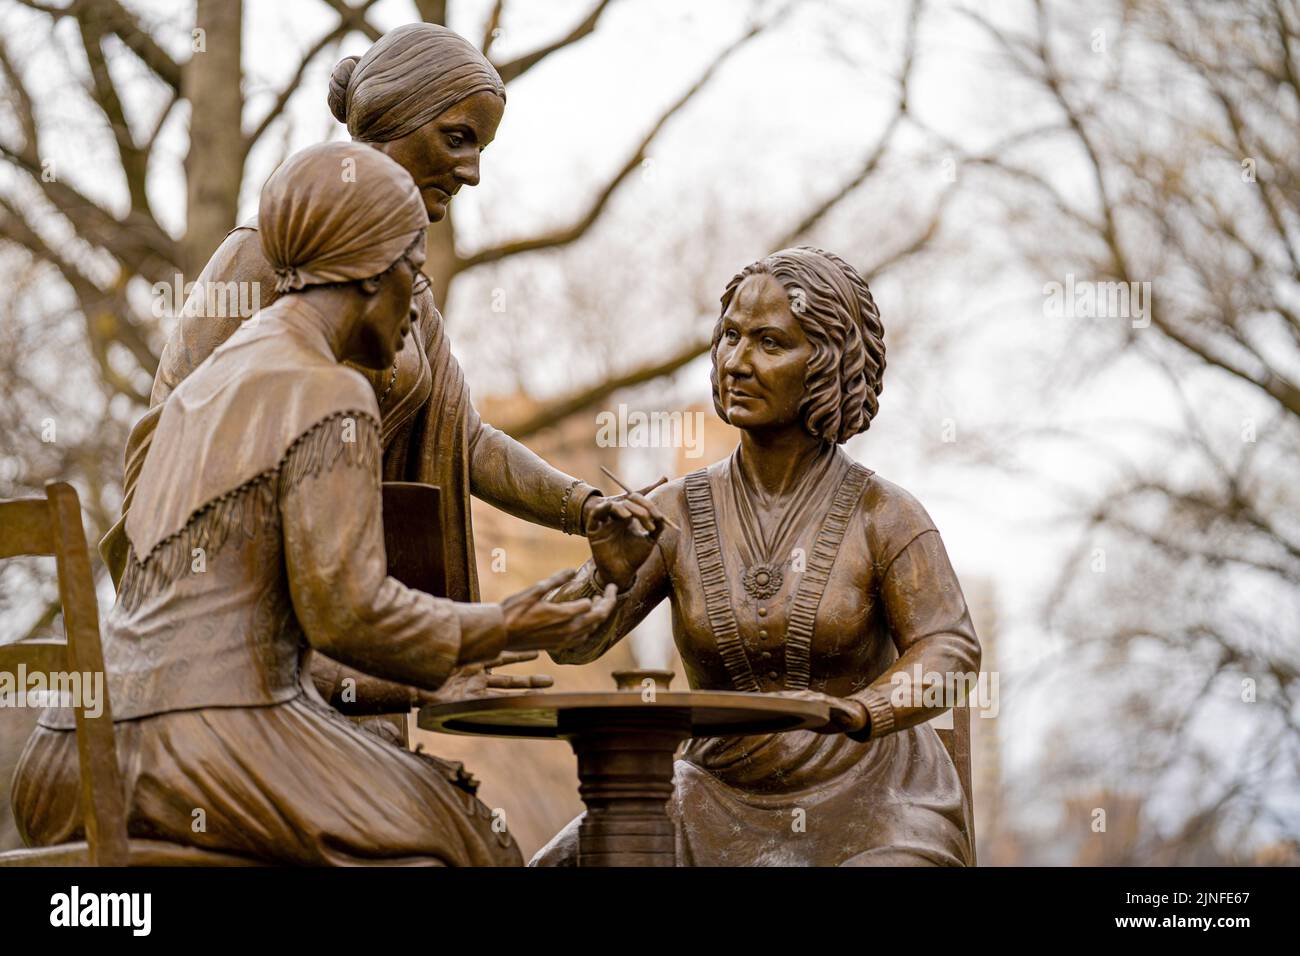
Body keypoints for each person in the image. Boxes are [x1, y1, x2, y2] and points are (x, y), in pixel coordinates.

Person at [12, 143, 619, 866]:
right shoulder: (327, 392)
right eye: (414, 274)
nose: (415, 314)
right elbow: (347, 612)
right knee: (478, 839)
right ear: (370, 272)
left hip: (69, 759)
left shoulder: (206, 385)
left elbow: (225, 619)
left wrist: (486, 635)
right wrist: (501, 621)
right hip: (197, 745)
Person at [104, 22, 612, 615]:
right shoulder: (268, 254)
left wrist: (586, 508)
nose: (472, 171)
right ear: (392, 120)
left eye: (480, 149)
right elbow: (175, 450)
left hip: (354, 598)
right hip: (236, 606)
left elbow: (467, 442)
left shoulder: (409, 290)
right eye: (457, 139)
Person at [534, 247, 982, 866]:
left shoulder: (885, 513)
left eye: (771, 344)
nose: (737, 362)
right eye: (730, 337)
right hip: (713, 795)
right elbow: (569, 644)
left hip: (875, 806)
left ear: (827, 366)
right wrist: (608, 572)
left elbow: (951, 651)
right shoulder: (676, 511)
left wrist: (863, 710)